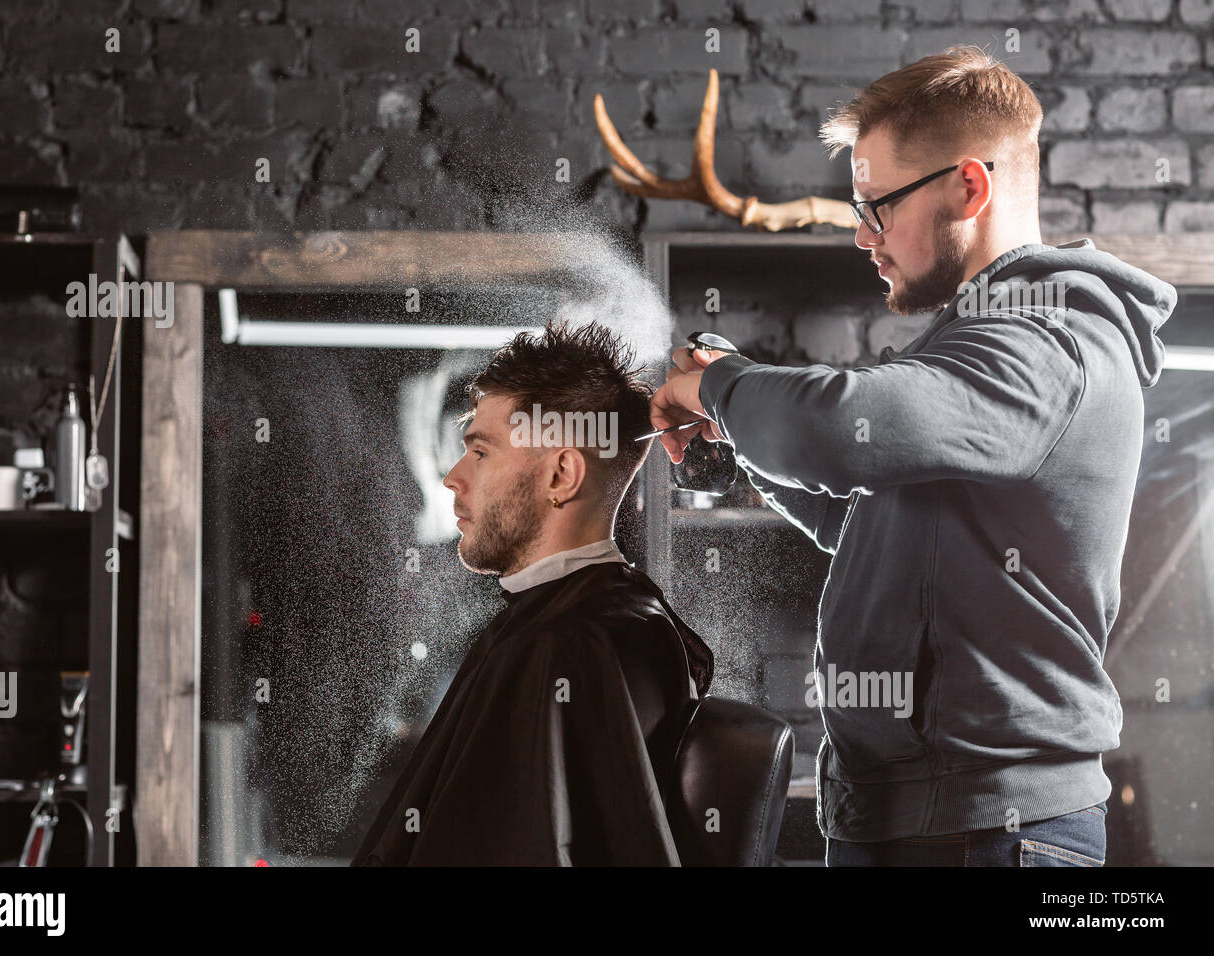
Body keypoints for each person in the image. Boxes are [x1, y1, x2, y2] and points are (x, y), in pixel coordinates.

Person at [650, 46, 1175, 867]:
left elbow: (842, 428)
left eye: (878, 206)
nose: (863, 236)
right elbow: (860, 513)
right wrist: (738, 436)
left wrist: (726, 386)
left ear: (970, 186)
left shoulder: (1049, 345)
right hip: (917, 821)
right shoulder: (979, 346)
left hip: (991, 831)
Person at [352, 319, 713, 866]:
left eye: (480, 452)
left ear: (561, 475)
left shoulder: (562, 647)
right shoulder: (617, 617)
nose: (453, 476)